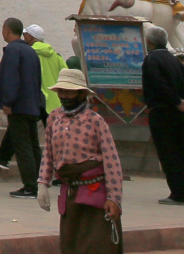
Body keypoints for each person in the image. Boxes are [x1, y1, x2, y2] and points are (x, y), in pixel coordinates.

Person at [40, 67, 124, 253]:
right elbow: (48, 152)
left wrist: (114, 198)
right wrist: (42, 183)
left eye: (69, 92)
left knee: (96, 246)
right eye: (61, 91)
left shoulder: (95, 121)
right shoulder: (54, 118)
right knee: (72, 245)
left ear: (81, 94)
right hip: (70, 194)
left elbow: (111, 160)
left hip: (95, 194)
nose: (64, 96)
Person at [141, 24, 184, 205]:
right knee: (182, 150)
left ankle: (178, 193)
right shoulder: (175, 60)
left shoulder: (151, 60)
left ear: (148, 42)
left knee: (168, 152)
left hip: (161, 111)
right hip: (178, 113)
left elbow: (158, 85)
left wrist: (176, 101)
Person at [0, 17, 46, 198]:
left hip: (19, 106)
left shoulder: (12, 50)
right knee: (33, 146)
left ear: (7, 30)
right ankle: (40, 182)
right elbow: (38, 79)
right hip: (32, 105)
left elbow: (11, 78)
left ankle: (30, 186)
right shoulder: (30, 50)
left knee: (22, 147)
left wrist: (8, 102)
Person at [26, 24, 65, 119]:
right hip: (55, 102)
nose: (23, 38)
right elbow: (66, 74)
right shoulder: (56, 55)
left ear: (30, 37)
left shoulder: (28, 54)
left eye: (25, 35)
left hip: (37, 100)